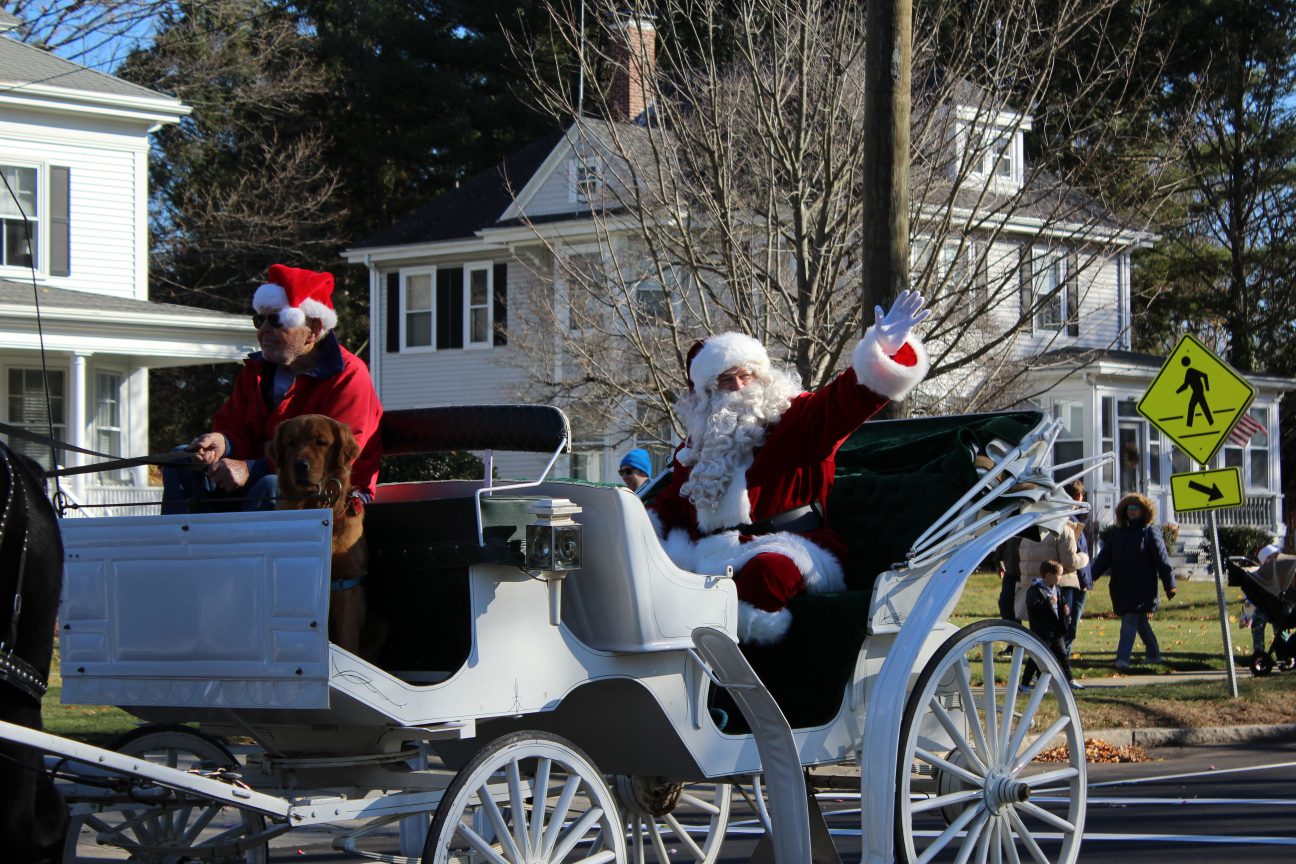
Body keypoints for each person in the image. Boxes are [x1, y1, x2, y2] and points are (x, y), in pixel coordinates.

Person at [647, 291, 929, 643]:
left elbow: (844, 401)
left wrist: (884, 351)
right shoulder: (694, 452)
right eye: (725, 380)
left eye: (746, 375)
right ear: (706, 394)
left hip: (795, 546)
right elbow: (671, 505)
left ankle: (747, 671)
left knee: (766, 571)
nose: (738, 387)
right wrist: (637, 525)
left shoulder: (796, 418)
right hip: (712, 555)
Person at [162, 264, 383, 514]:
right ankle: (181, 548)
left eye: (277, 319)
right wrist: (223, 442)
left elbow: (333, 457)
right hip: (258, 483)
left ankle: (242, 553)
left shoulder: (349, 376)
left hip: (330, 492)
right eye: (260, 319)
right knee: (182, 460)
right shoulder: (255, 371)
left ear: (314, 330)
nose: (264, 329)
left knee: (272, 486)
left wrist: (250, 469)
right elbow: (236, 427)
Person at [1090, 492, 1177, 671]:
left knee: (1129, 620)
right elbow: (1104, 557)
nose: (1131, 511)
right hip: (1121, 586)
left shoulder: (1150, 532)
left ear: (1144, 510)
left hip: (1142, 586)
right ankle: (1153, 653)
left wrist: (1170, 584)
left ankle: (1122, 659)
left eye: (1135, 508)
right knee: (1139, 621)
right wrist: (1091, 576)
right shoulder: (1118, 533)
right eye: (1129, 508)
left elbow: (1162, 559)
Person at [1017, 498, 1089, 674]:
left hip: (1032, 587)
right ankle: (1058, 673)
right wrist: (1084, 558)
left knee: (1040, 636)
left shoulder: (1030, 529)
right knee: (1058, 636)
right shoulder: (1063, 529)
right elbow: (1069, 562)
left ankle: (1042, 673)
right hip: (1058, 586)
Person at [1021, 559, 1078, 690]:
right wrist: (1048, 603)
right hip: (1042, 632)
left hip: (1056, 631)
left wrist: (1066, 612)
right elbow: (1033, 607)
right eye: (1059, 575)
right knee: (1037, 659)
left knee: (1063, 657)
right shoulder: (1035, 590)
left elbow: (1062, 604)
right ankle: (1024, 684)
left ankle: (1070, 680)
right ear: (1048, 576)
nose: (1061, 578)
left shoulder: (1056, 589)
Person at [1062, 479, 1093, 656]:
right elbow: (1073, 556)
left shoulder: (1073, 520)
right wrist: (1084, 560)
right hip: (1071, 579)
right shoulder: (1068, 522)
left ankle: (1064, 658)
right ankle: (1062, 659)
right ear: (1079, 496)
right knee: (1068, 624)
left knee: (1070, 625)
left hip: (1078, 580)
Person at [995, 536, 1023, 625]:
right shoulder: (1012, 527)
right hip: (1011, 573)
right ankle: (1014, 631)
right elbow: (1002, 543)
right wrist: (997, 562)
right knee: (1005, 603)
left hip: (1030, 573)